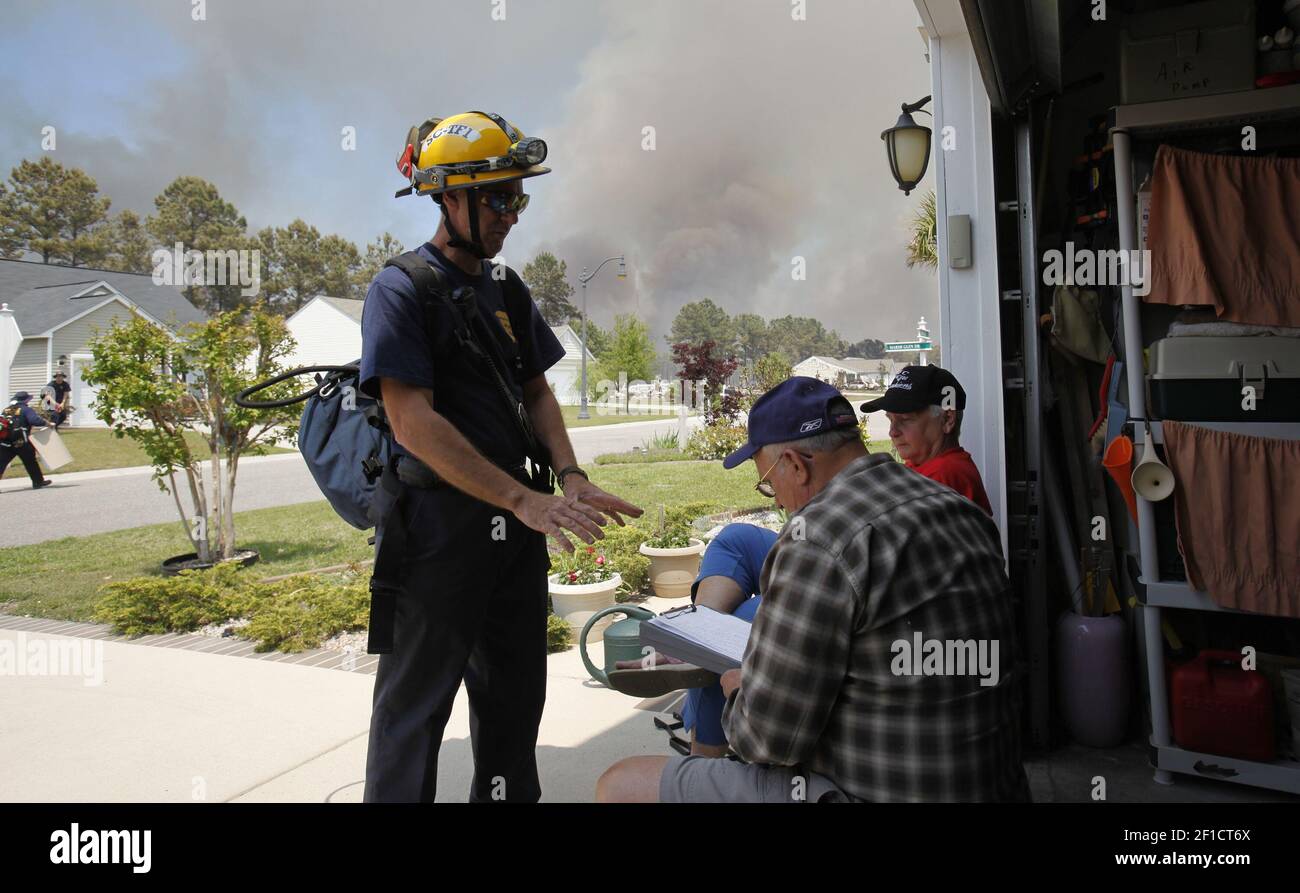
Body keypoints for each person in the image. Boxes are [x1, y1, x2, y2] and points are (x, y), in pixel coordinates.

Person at [360, 111, 643, 803]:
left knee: (515, 698)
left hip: (518, 532)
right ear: (447, 196)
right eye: (497, 196)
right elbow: (411, 421)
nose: (511, 213)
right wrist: (522, 497)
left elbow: (538, 392)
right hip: (434, 533)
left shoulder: (507, 288)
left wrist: (568, 476)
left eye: (518, 195)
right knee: (413, 711)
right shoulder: (400, 290)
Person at [597, 376, 1028, 802]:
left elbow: (766, 743)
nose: (777, 501)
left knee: (620, 784)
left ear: (796, 465)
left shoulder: (818, 539)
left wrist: (739, 687)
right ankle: (702, 641)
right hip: (991, 783)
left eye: (768, 482)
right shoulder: (959, 509)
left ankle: (702, 661)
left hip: (870, 790)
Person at [862, 364, 992, 515]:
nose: (893, 432)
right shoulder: (923, 464)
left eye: (905, 419)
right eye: (890, 419)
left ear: (947, 419)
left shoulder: (944, 474)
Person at [1, 392, 53, 490]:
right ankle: (38, 482)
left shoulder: (7, 410)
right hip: (20, 441)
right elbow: (35, 421)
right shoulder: (26, 409)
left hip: (6, 441)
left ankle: (39, 481)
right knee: (30, 461)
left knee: (1, 463)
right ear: (26, 400)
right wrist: (47, 423)